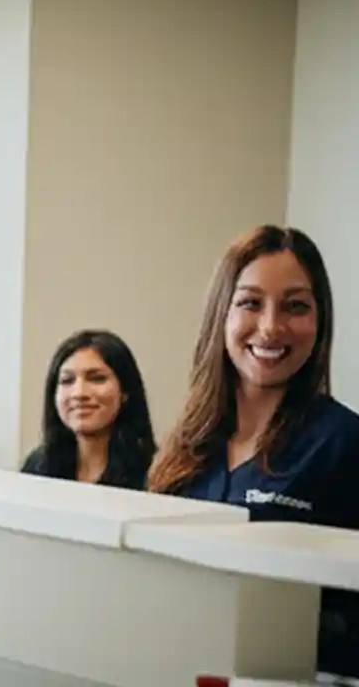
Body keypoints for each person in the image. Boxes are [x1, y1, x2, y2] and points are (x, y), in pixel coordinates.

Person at [148, 224, 359, 678]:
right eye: (250, 302)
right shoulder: (185, 446)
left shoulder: (342, 442)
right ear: (221, 314)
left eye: (295, 306)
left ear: (319, 323)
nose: (270, 327)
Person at [22, 329, 157, 489]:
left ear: (125, 392)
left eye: (97, 379)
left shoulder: (154, 473)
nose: (79, 393)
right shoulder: (38, 466)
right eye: (67, 380)